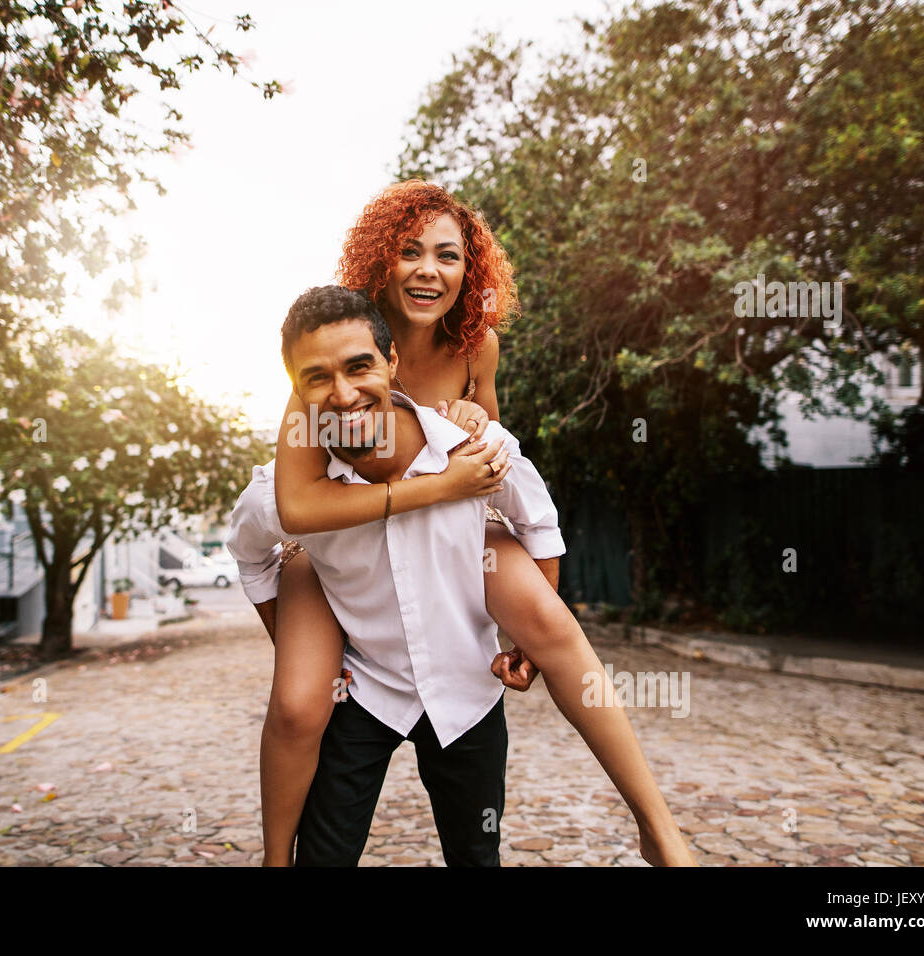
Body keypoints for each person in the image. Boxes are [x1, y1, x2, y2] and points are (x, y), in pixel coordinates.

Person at [258, 181, 696, 867]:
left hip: (456, 525)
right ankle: (278, 855)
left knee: (551, 626)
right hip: (350, 532)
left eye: (448, 256)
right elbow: (298, 506)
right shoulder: (345, 348)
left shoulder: (475, 345)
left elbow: (498, 448)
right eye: (409, 252)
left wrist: (473, 426)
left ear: (470, 271)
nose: (428, 270)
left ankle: (659, 830)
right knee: (297, 704)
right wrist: (440, 484)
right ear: (380, 260)